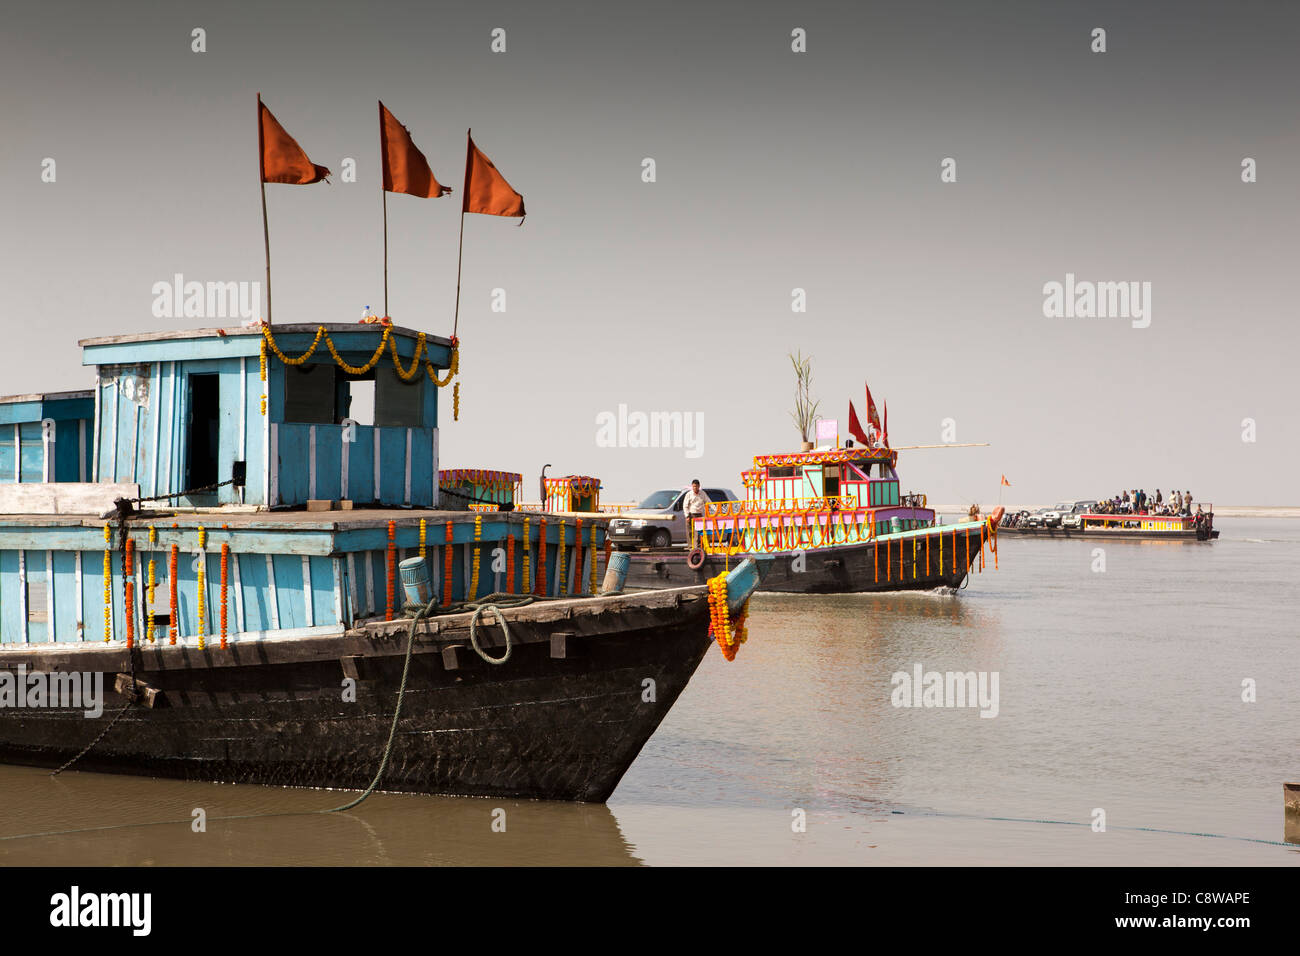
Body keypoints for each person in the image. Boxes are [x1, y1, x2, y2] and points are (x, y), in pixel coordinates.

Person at [683, 479, 711, 548]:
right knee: (690, 532)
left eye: (696, 486)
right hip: (691, 514)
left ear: (699, 486)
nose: (695, 488)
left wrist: (716, 510)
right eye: (693, 486)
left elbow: (709, 502)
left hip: (699, 515)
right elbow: (685, 506)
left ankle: (697, 547)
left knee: (698, 532)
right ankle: (691, 547)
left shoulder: (702, 493)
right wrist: (687, 516)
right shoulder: (689, 494)